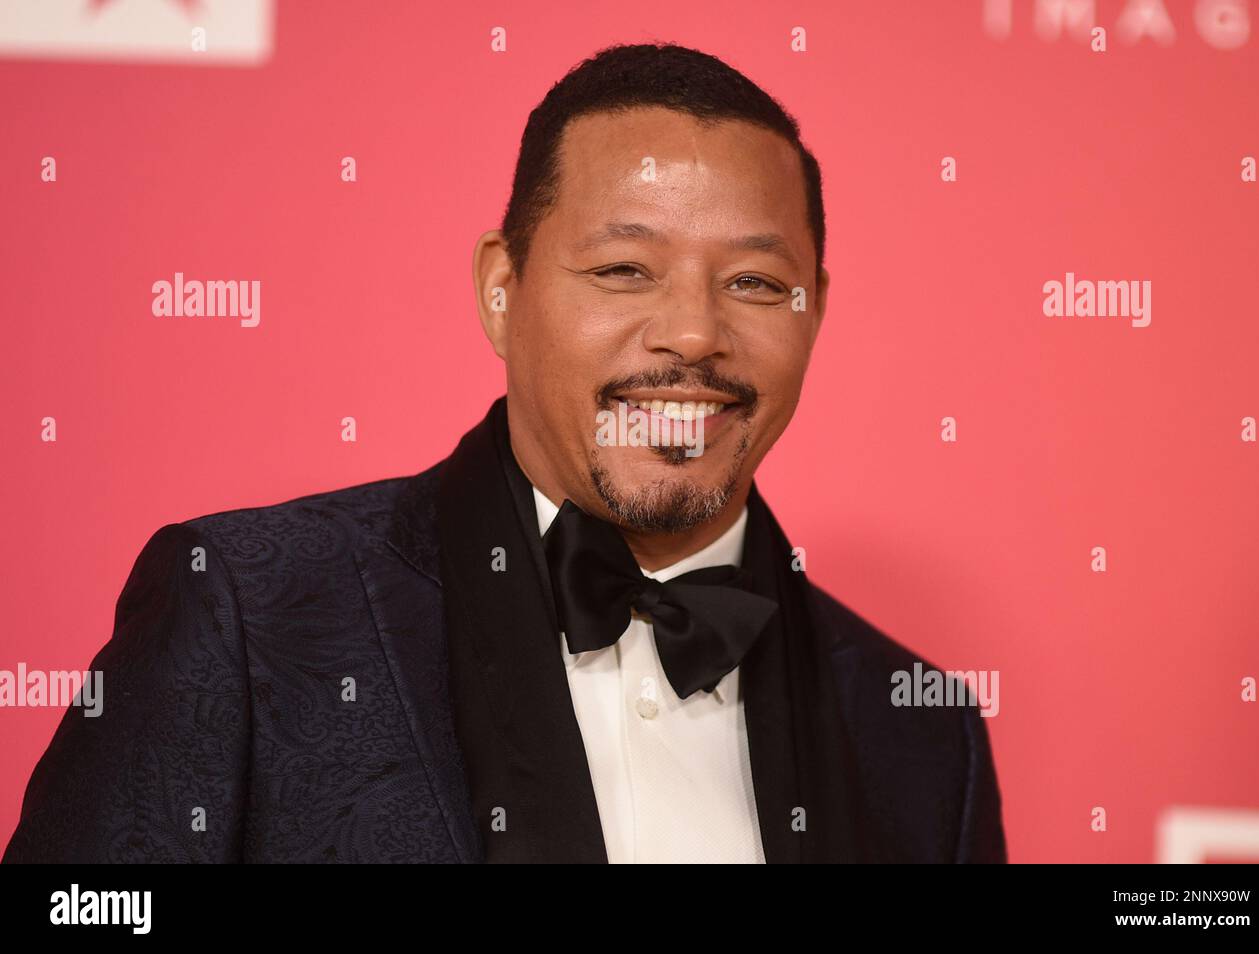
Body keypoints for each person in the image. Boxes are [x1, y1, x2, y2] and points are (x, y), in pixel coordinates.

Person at [4, 42, 1006, 864]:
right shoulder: (249, 612)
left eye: (751, 283)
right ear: (501, 288)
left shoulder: (915, 732)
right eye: (624, 268)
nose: (693, 334)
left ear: (814, 312)